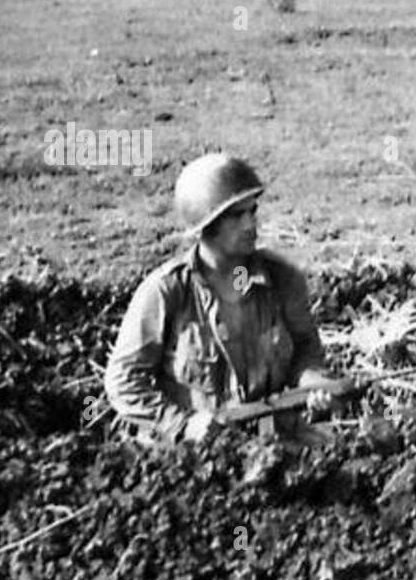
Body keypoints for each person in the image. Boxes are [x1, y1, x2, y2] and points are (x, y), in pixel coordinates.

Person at [104, 153, 345, 445]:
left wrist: (314, 384)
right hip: (192, 451)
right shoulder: (167, 292)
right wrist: (182, 424)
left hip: (274, 442)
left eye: (252, 211)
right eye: (236, 216)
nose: (250, 225)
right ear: (207, 224)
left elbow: (305, 352)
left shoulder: (281, 280)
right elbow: (123, 381)